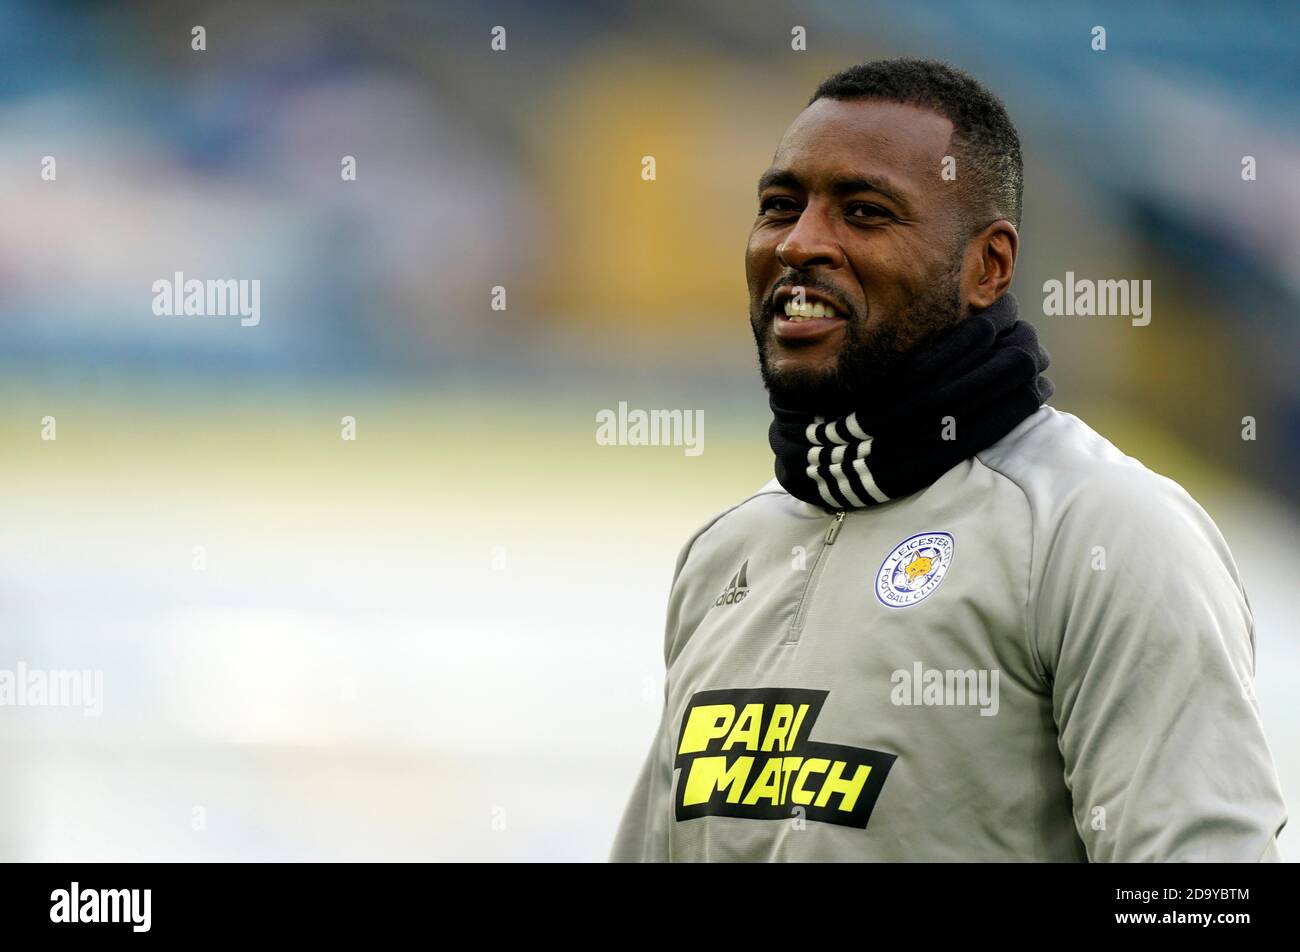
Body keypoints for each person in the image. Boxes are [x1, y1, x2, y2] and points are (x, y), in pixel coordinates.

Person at [609, 58, 1287, 862]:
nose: (799, 244)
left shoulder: (1102, 531)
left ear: (987, 267)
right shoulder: (727, 552)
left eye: (863, 212)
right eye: (780, 207)